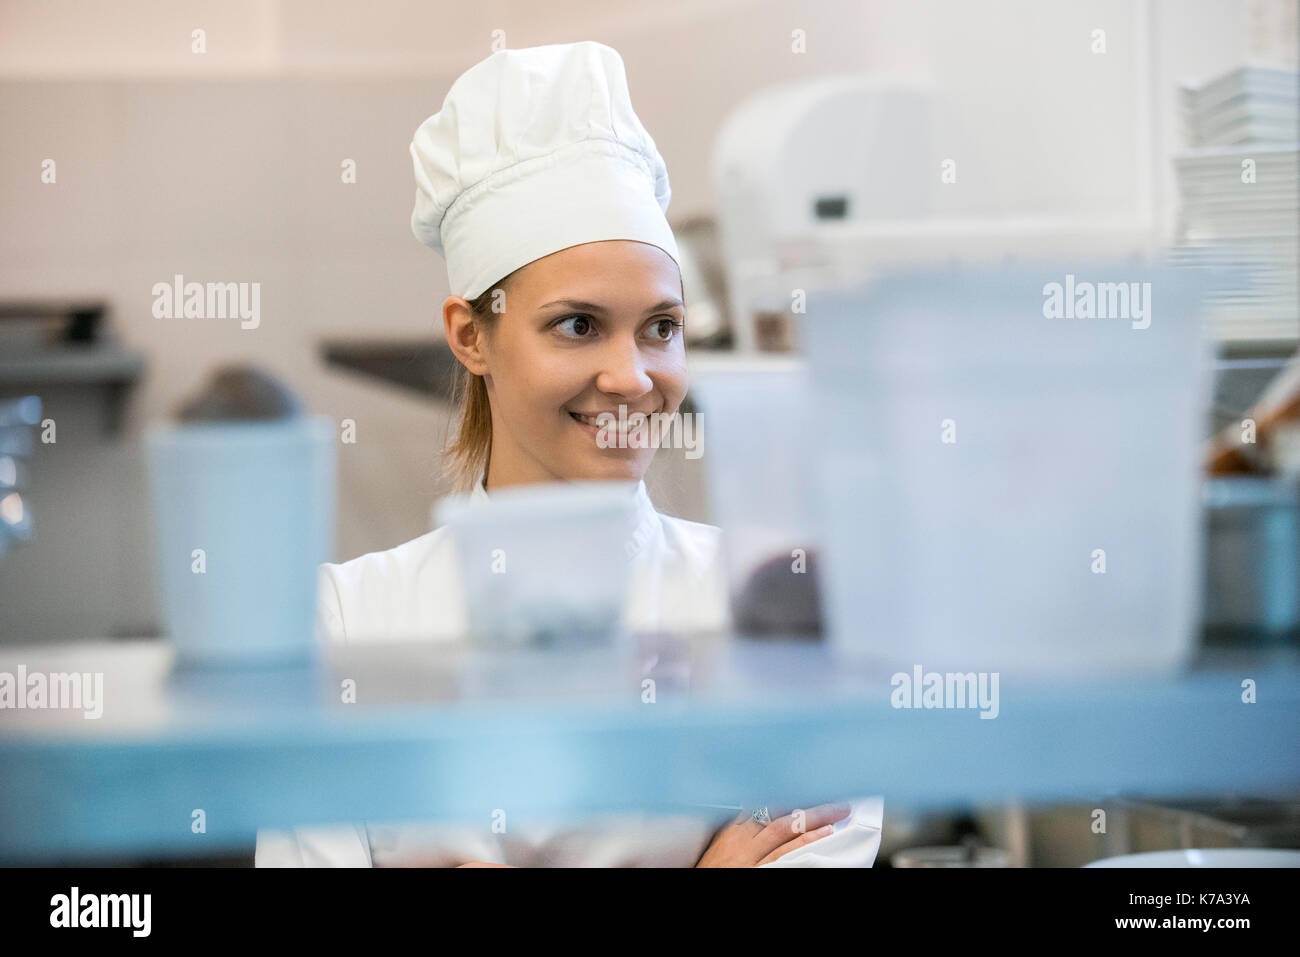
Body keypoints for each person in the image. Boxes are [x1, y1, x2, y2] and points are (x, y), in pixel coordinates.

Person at [255, 40, 882, 867]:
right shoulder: (344, 625)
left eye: (661, 327)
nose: (631, 377)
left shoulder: (769, 608)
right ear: (470, 335)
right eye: (578, 324)